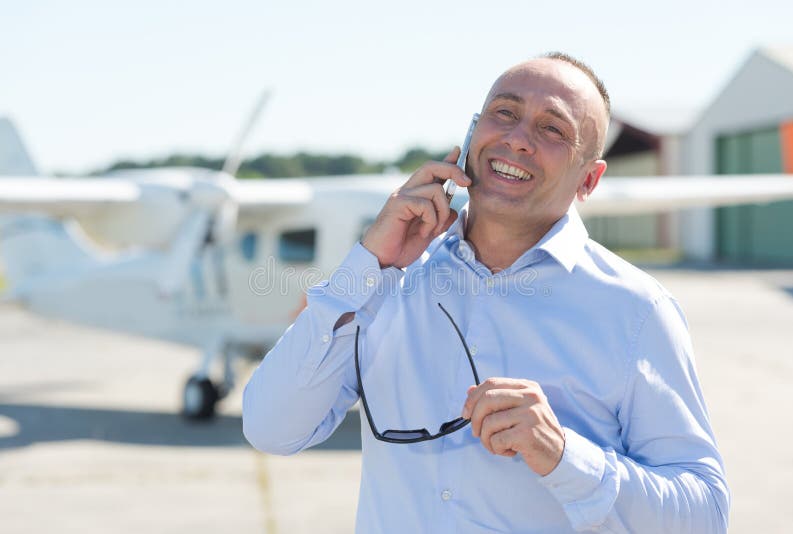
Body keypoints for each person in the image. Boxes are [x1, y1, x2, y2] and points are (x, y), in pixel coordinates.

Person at [243, 52, 730, 533]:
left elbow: (705, 516)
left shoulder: (638, 311)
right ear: (472, 134)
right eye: (504, 113)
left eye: (553, 129)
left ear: (589, 178)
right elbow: (271, 428)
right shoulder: (384, 281)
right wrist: (369, 262)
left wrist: (564, 456)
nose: (518, 139)